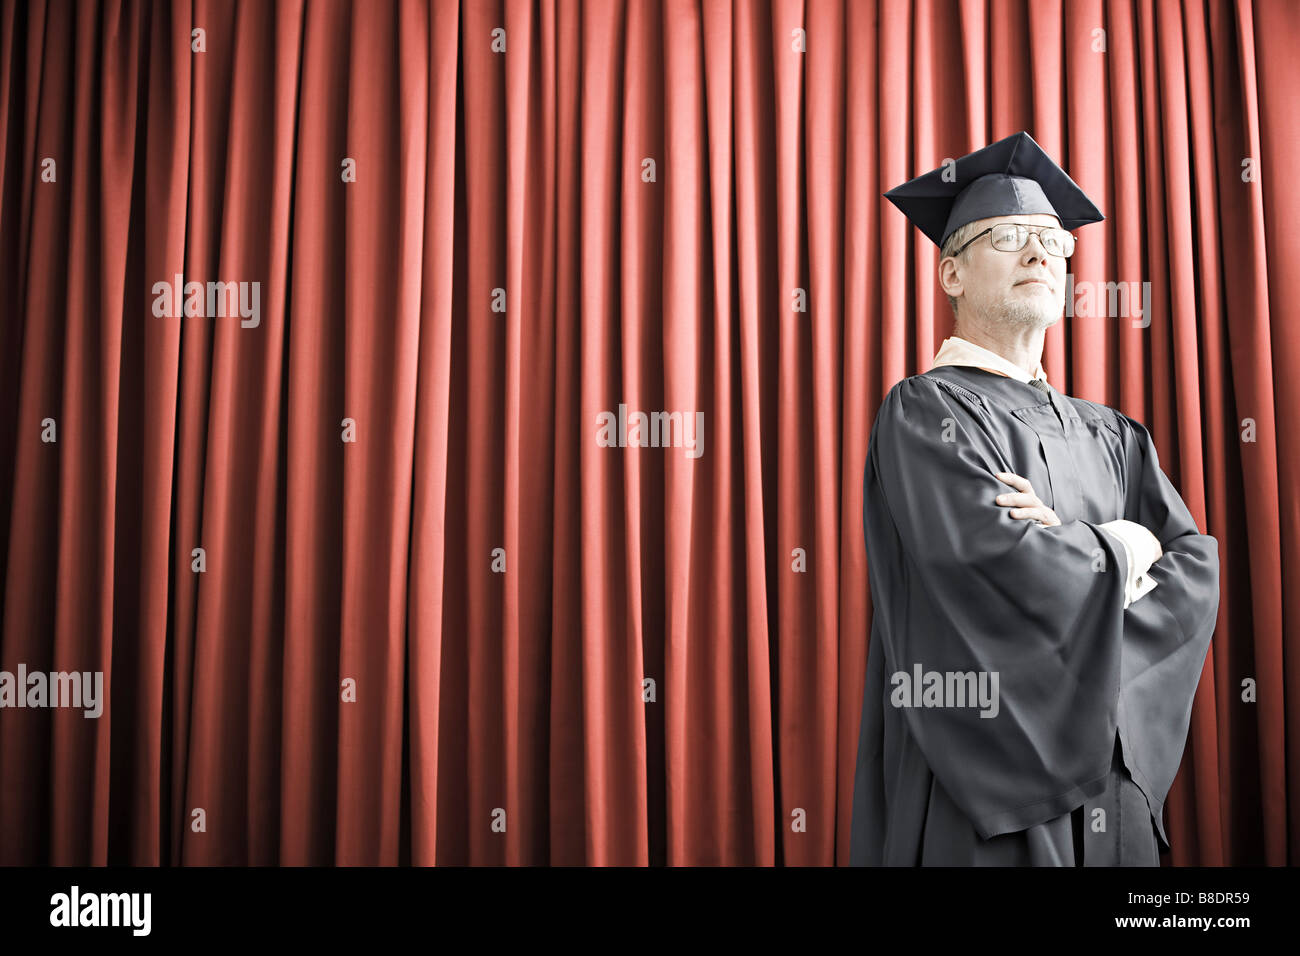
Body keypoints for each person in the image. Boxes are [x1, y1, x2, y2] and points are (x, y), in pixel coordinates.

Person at [848, 132, 1220, 866]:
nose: (1041, 254)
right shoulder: (928, 413)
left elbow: (1196, 569)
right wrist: (1126, 545)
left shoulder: (1113, 433)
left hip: (1116, 785)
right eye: (1009, 237)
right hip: (986, 784)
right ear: (950, 273)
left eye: (1053, 242)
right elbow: (997, 563)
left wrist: (1100, 544)